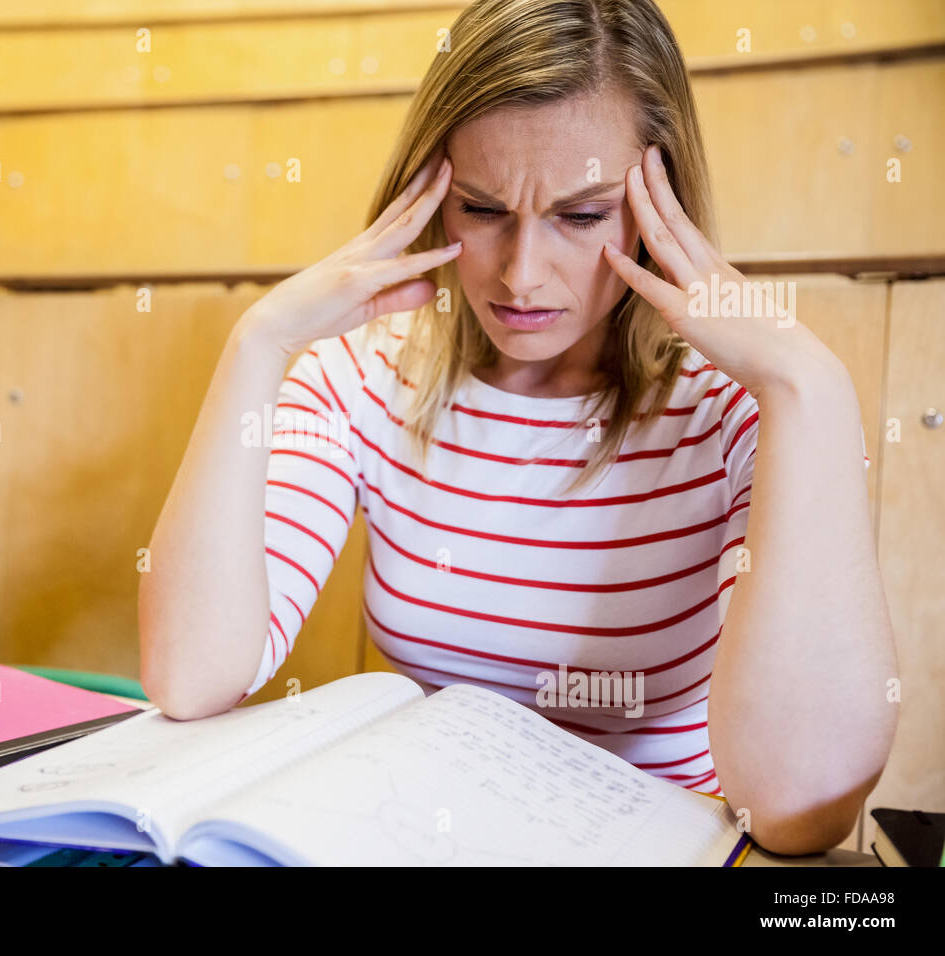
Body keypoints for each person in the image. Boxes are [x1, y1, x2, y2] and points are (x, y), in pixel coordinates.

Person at [139, 0, 896, 856]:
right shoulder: (359, 378)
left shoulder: (740, 410)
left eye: (580, 216)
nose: (522, 276)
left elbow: (800, 812)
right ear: (429, 194)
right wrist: (258, 342)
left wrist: (812, 386)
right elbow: (190, 676)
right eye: (483, 208)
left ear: (659, 210)